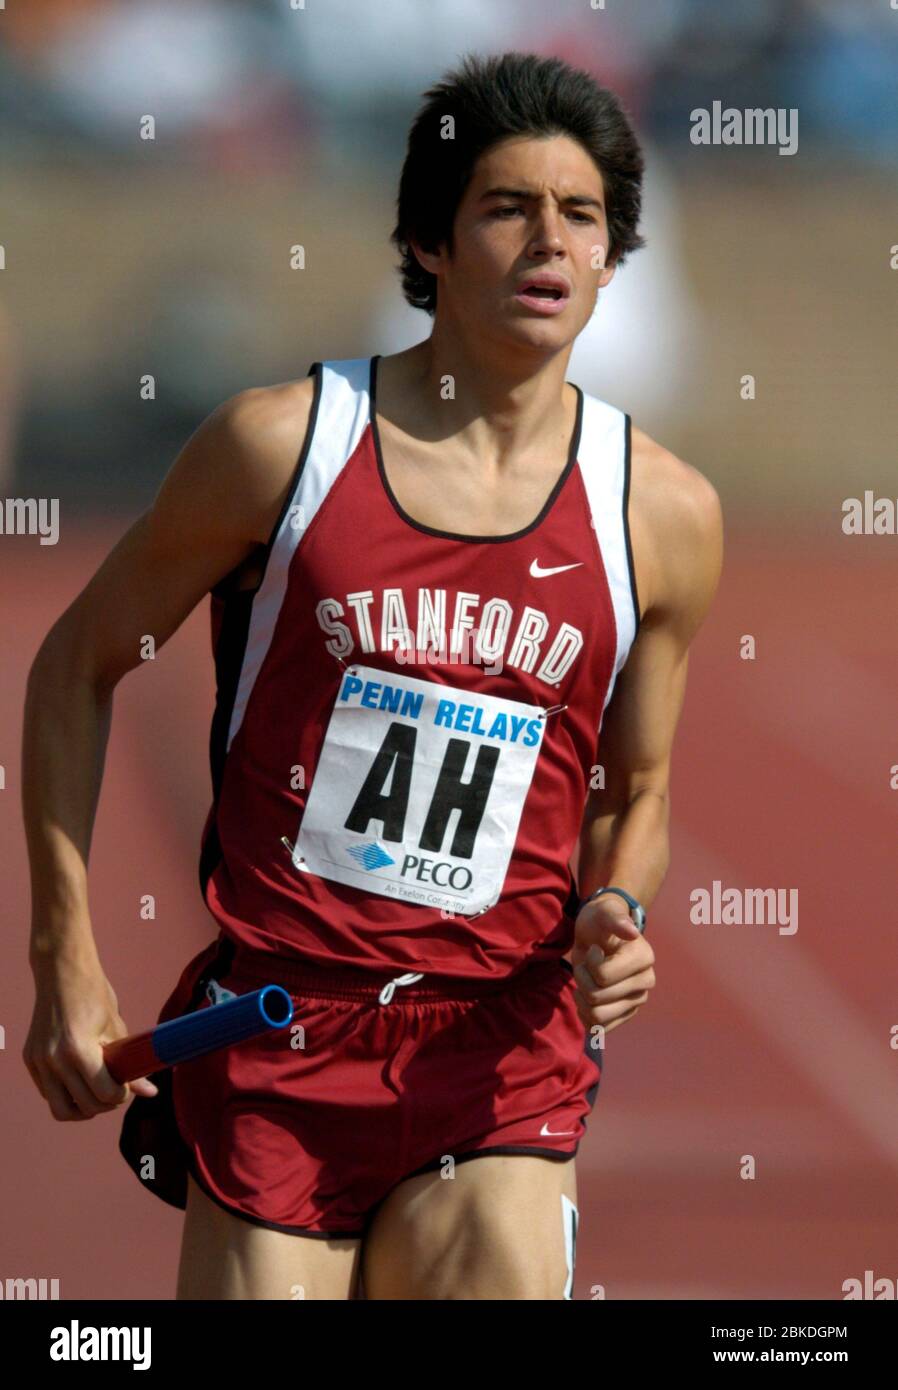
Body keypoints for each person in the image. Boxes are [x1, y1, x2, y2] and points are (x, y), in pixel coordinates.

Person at [22, 51, 723, 1300]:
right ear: (428, 241)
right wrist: (65, 958)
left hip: (495, 1047)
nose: (547, 241)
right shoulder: (277, 450)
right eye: (507, 206)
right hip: (275, 1038)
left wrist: (618, 908)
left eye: (581, 215)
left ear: (613, 258)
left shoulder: (660, 514)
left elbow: (639, 790)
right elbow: (75, 668)